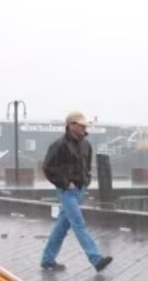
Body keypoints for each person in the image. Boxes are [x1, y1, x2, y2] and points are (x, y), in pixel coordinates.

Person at [40, 112, 113, 272]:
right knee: (79, 224)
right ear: (71, 125)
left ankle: (47, 260)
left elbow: (86, 166)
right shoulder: (59, 145)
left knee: (62, 226)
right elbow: (47, 168)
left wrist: (86, 181)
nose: (84, 127)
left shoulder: (86, 145)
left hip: (79, 190)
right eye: (81, 124)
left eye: (84, 125)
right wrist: (66, 183)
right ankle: (96, 259)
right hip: (67, 191)